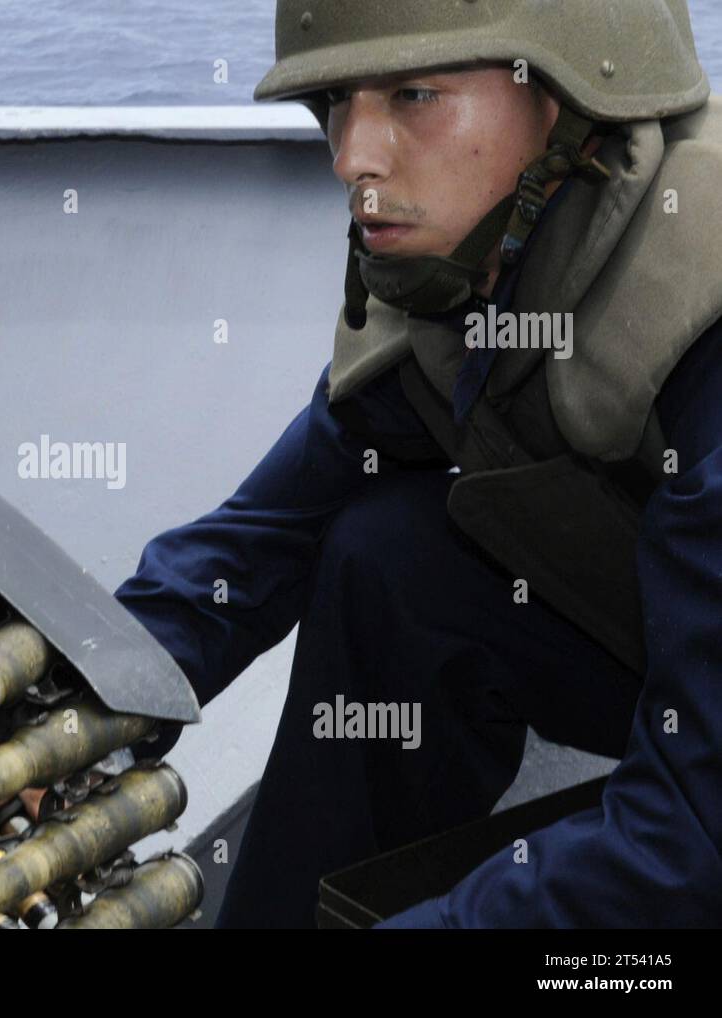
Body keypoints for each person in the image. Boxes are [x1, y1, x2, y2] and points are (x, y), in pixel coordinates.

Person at [113, 0, 722, 927]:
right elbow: (259, 542)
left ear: (560, 99)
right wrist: (91, 712)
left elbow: (692, 842)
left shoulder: (701, 315)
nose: (357, 156)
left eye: (414, 95)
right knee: (391, 559)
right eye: (335, 105)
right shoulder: (471, 275)